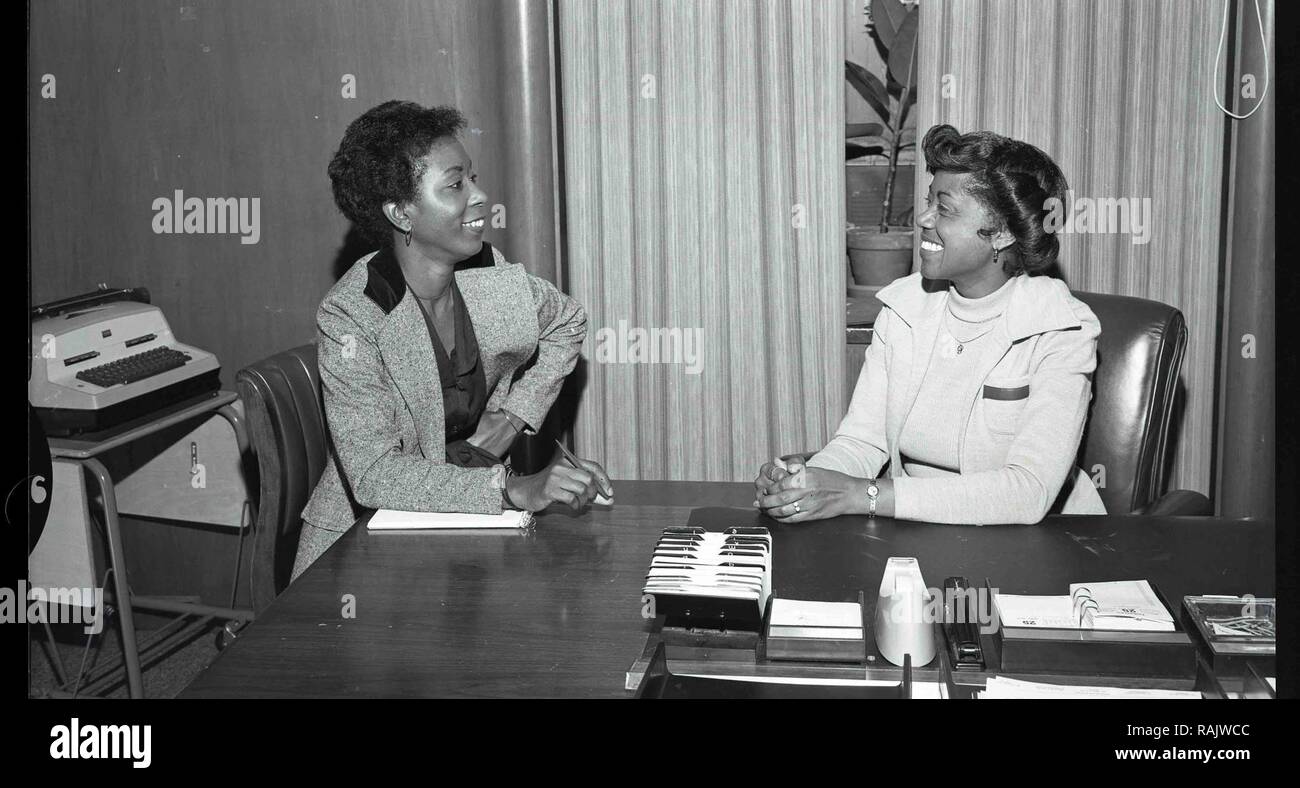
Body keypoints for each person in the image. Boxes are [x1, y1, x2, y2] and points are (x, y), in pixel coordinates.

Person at [294, 100, 610, 578]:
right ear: (401, 212)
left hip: (467, 530)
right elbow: (375, 473)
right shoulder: (352, 315)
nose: (480, 196)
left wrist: (514, 418)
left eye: (474, 179)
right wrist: (511, 488)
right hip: (362, 552)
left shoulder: (492, 278)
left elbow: (567, 321)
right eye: (456, 184)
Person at [755, 124, 1105, 525]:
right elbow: (861, 441)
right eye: (927, 202)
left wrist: (863, 495)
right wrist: (805, 482)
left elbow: (1028, 493)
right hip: (921, 533)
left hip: (1050, 546)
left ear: (1003, 233)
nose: (923, 218)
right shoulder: (903, 308)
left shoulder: (1062, 328)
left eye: (945, 208)